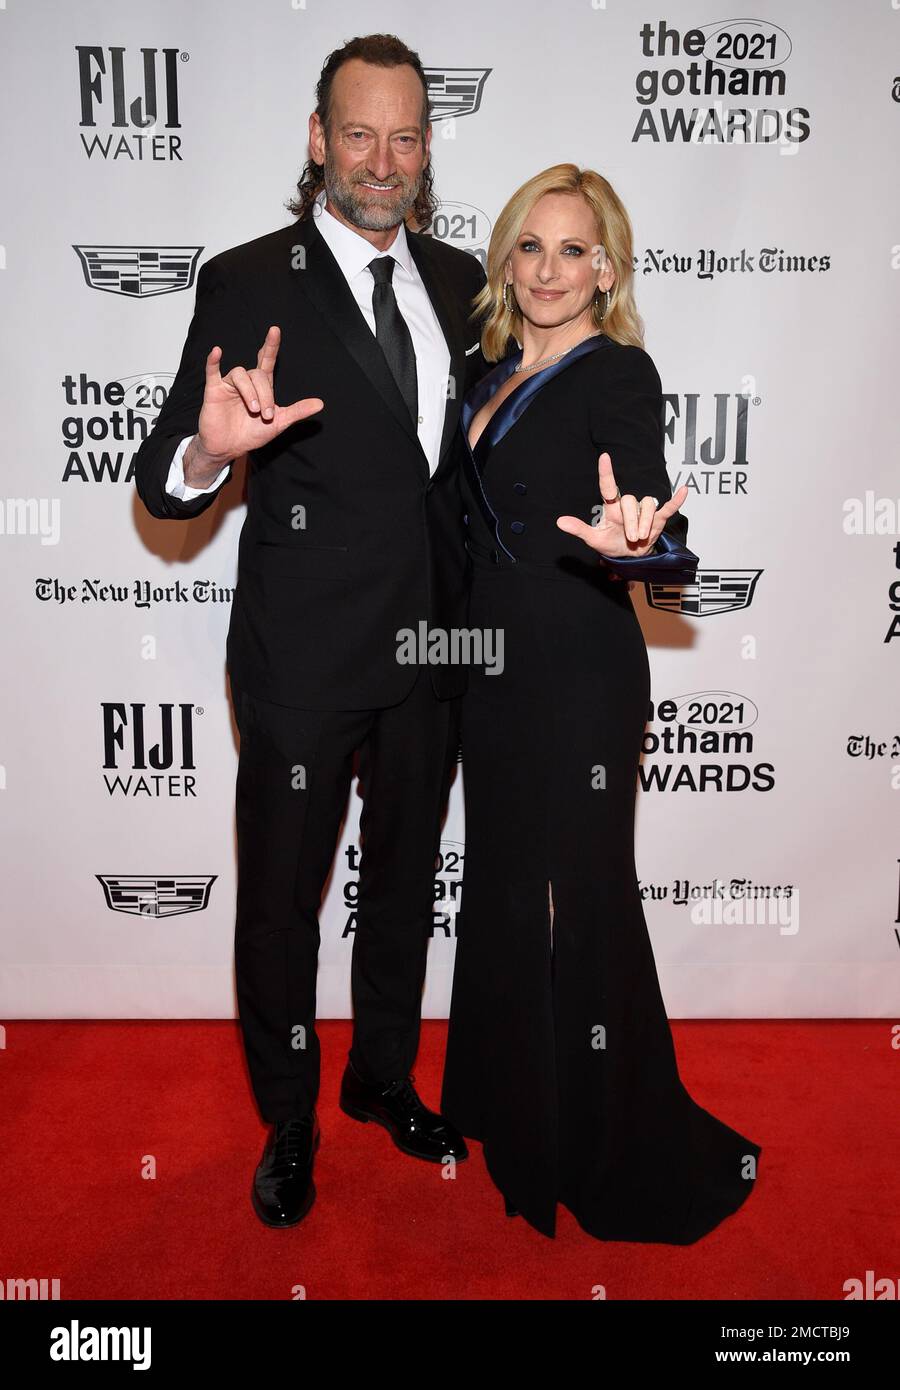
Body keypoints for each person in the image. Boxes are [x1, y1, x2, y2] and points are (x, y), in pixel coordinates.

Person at [134, 34, 487, 1227]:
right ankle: (287, 1110)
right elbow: (162, 481)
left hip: (433, 651)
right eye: (357, 134)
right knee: (283, 897)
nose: (380, 162)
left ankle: (381, 1073)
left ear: (427, 147)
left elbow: (476, 474)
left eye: (404, 137)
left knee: (401, 881)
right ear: (316, 140)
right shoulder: (248, 281)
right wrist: (205, 452)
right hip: (302, 656)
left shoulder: (459, 283)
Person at [440, 164, 762, 1244]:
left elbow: (653, 510)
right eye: (531, 246)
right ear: (506, 258)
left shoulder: (618, 372)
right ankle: (511, 1112)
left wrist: (645, 548)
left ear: (607, 268)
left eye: (573, 250)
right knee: (498, 884)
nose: (548, 269)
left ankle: (601, 1139)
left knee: (571, 896)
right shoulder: (476, 373)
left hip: (578, 663)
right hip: (489, 666)